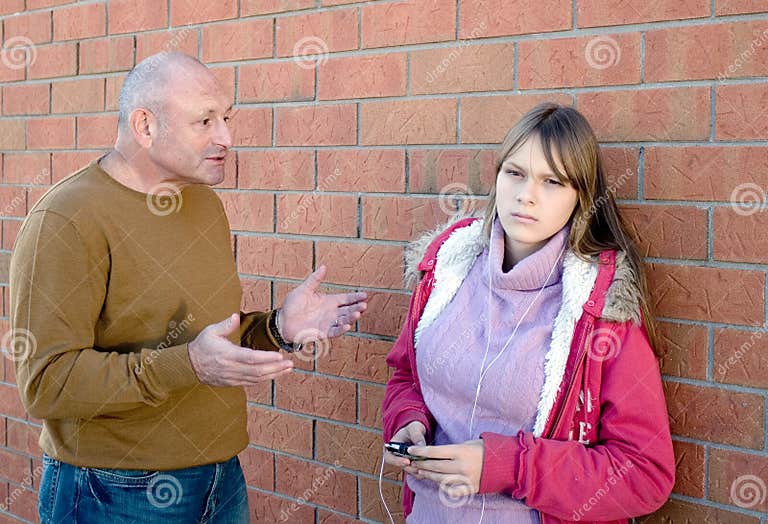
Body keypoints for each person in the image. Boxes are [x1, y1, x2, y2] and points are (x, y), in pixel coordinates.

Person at [9, 51, 367, 523]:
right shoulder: (66, 220)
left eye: (226, 118)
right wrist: (189, 365)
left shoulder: (202, 204)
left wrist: (278, 327)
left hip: (220, 479)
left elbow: (209, 341)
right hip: (114, 490)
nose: (226, 137)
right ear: (145, 126)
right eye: (204, 121)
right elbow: (45, 385)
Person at [381, 103, 675, 523]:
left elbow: (645, 473)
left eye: (552, 181)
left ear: (581, 197)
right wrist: (407, 420)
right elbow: (406, 376)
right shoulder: (447, 270)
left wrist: (510, 467)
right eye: (515, 173)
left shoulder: (599, 310)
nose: (526, 195)